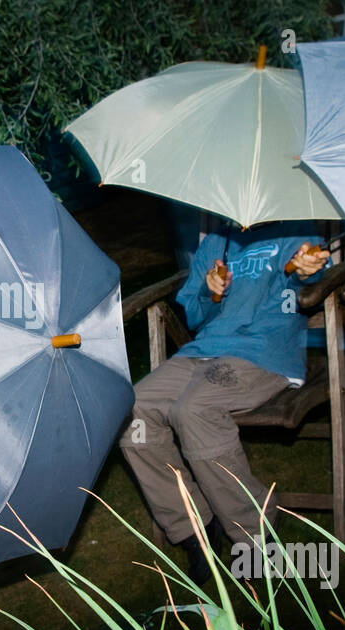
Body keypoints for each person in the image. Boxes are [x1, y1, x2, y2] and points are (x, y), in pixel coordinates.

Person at [119, 216, 329, 584]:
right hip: (204, 350)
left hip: (264, 353)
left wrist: (305, 270)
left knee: (195, 410)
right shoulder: (216, 243)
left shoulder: (296, 233)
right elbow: (196, 315)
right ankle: (194, 531)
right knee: (131, 409)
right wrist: (209, 290)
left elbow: (304, 288)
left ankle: (255, 536)